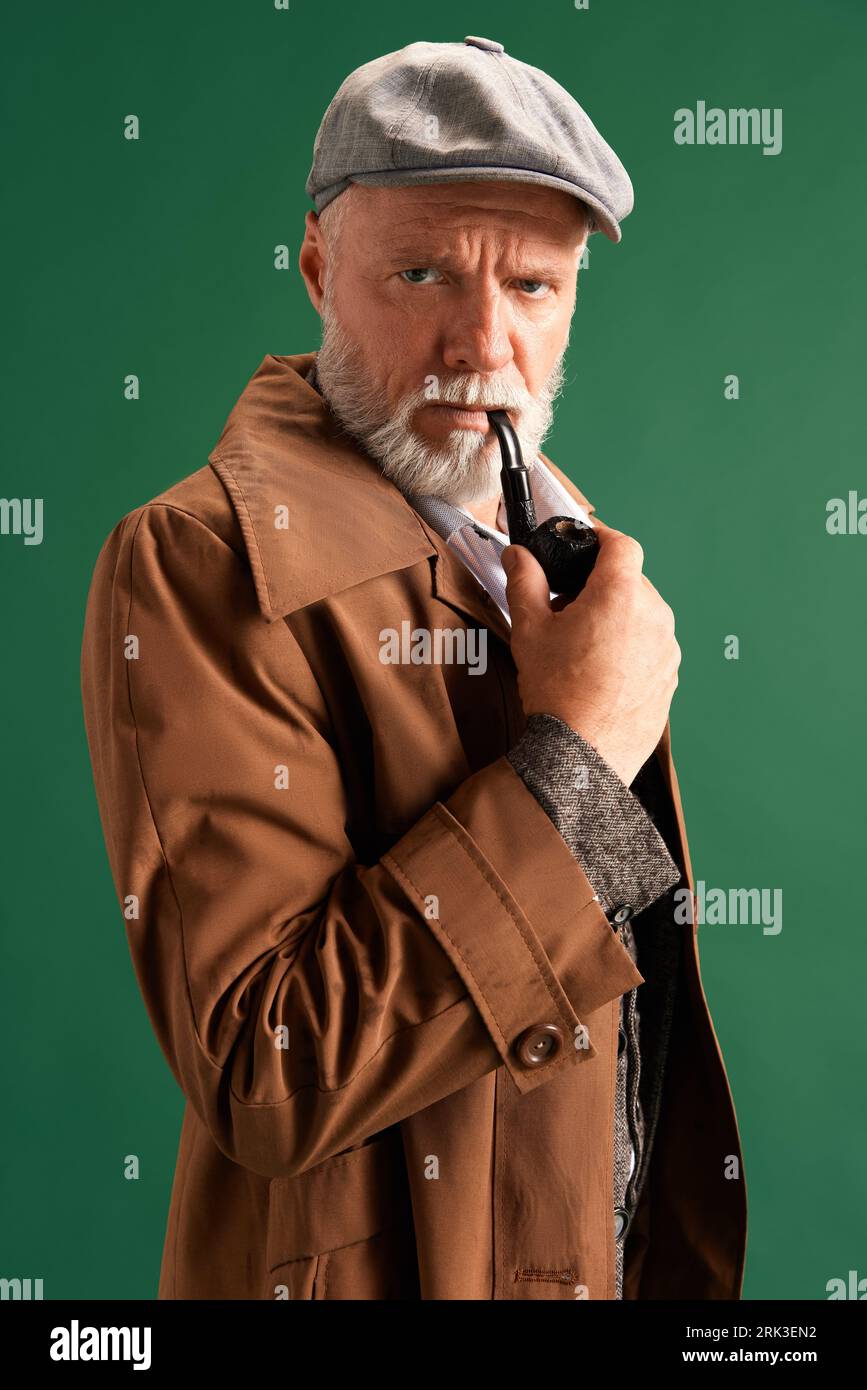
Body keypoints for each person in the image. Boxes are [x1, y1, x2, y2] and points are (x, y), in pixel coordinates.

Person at [80, 36, 747, 1300]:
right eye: (422, 272)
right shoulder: (201, 559)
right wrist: (573, 768)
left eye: (535, 287)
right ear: (322, 272)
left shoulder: (556, 555)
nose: (481, 344)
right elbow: (265, 1068)